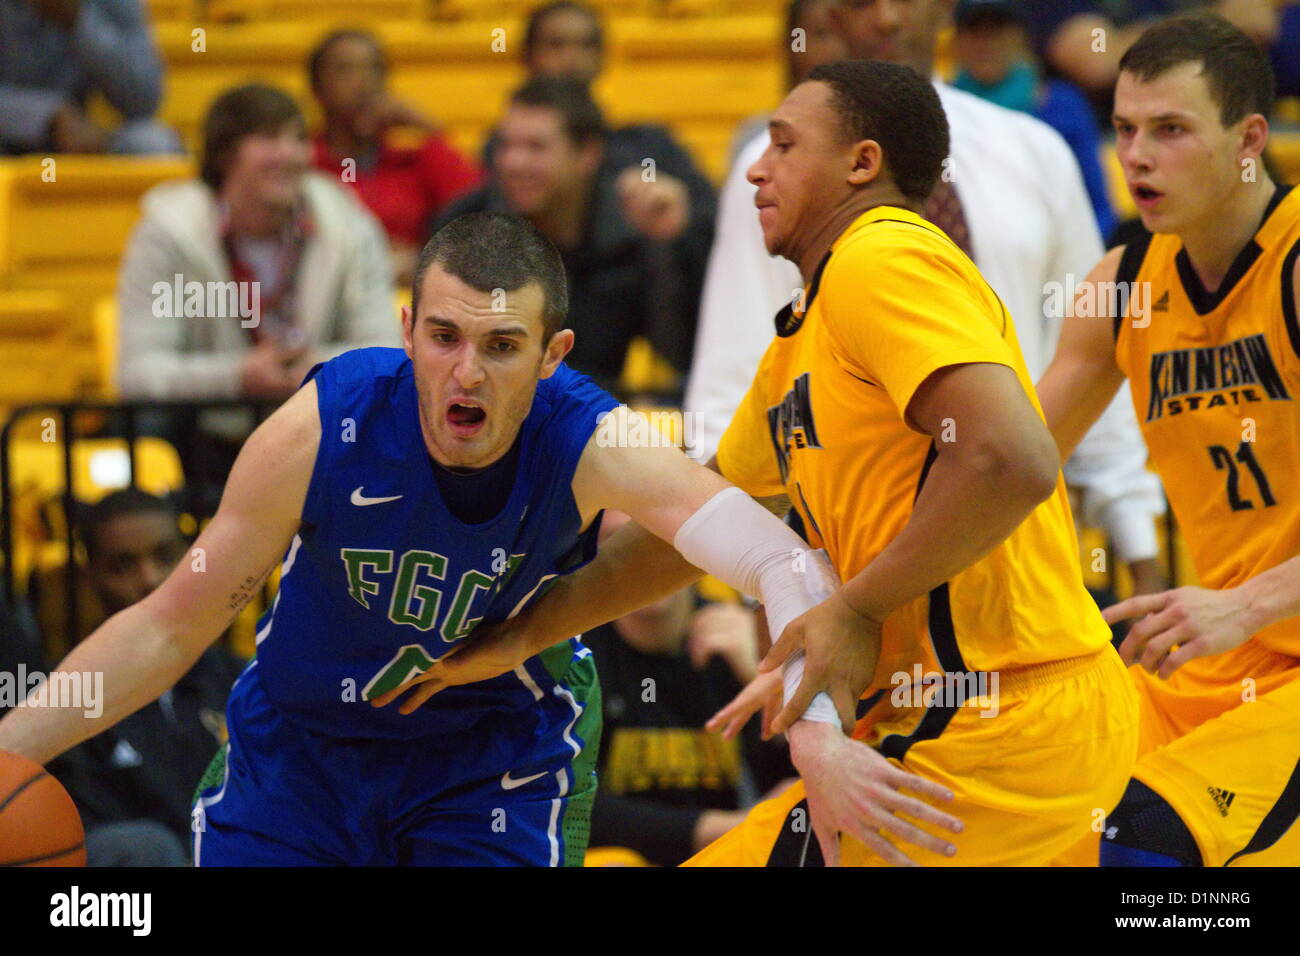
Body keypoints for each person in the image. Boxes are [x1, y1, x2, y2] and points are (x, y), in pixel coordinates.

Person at [410, 61, 1139, 867]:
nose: (755, 166)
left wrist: (856, 608)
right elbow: (682, 530)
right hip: (958, 721)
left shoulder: (882, 257)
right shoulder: (800, 335)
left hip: (1001, 715)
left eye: (784, 146)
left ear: (861, 164)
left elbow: (1013, 458)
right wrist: (523, 633)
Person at [0, 211, 869, 867]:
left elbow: (780, 556)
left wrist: (818, 738)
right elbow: (165, 625)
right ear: (408, 329)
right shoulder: (322, 426)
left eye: (501, 346)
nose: (466, 372)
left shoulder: (591, 440)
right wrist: (11, 750)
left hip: (489, 757)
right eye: (444, 337)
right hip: (302, 751)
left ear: (552, 354)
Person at [685, 0, 1167, 597]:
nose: (886, 19)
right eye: (867, 2)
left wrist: (1139, 545)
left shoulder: (1036, 151)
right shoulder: (775, 169)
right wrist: (764, 586)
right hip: (845, 566)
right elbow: (733, 381)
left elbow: (1089, 354)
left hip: (1024, 549)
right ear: (833, 14)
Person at [1038, 12, 1300, 866]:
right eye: (1123, 130)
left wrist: (1247, 603)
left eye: (1171, 130)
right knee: (1033, 823)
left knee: (1139, 847)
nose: (1137, 156)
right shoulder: (1122, 288)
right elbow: (1007, 472)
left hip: (1272, 648)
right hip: (1216, 660)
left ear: (1250, 140)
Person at [117, 83, 398, 404]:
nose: (290, 154)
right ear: (225, 155)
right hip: (204, 432)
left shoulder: (348, 224)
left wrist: (316, 368)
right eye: (270, 139)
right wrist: (237, 377)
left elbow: (384, 352)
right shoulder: (168, 233)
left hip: (320, 428)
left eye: (298, 138)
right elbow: (139, 374)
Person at [439, 78, 711, 390]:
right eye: (506, 145)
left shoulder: (631, 227)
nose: (514, 162)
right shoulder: (463, 228)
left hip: (597, 413)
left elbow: (680, 354)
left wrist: (673, 244)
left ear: (588, 154)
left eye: (535, 147)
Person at [41, 489, 242, 866]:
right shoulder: (65, 697)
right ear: (90, 577)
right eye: (122, 566)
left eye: (165, 557)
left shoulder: (239, 678)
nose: (149, 579)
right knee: (142, 847)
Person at [584, 512, 794, 866]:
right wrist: (733, 827)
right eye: (621, 542)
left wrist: (766, 678)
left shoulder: (742, 636)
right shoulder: (574, 655)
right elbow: (572, 809)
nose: (643, 557)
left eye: (658, 538)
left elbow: (813, 774)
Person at [308, 29, 482, 286]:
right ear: (317, 88)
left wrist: (428, 128)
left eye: (373, 69)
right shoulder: (303, 161)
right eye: (345, 70)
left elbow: (482, 214)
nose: (363, 82)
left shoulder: (412, 156)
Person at [950, 0, 1118, 241]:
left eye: (997, 29)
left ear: (1020, 37)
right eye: (974, 29)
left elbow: (1099, 206)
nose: (985, 42)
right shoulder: (940, 111)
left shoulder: (1063, 105)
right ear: (956, 42)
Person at [0, 0, 180, 156]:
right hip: (9, 137)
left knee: (155, 145)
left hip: (77, 144)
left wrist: (77, 19)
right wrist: (49, 116)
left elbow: (144, 100)